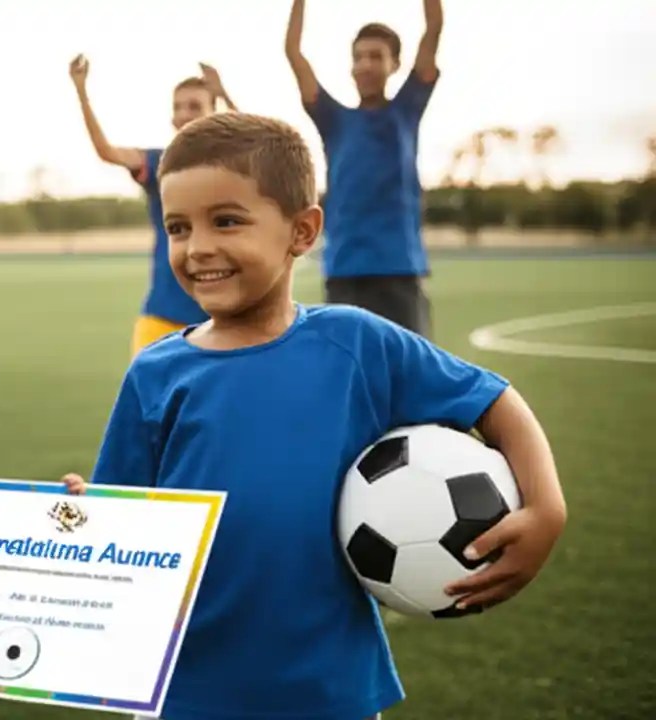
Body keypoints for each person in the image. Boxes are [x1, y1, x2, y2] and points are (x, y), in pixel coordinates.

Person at [61, 112, 566, 720]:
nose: (198, 248)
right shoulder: (155, 372)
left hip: (330, 689)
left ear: (302, 231)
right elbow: (124, 513)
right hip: (186, 689)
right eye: (177, 227)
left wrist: (545, 507)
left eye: (226, 221)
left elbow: (493, 400)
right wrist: (87, 520)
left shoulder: (356, 343)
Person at [285, 0, 444, 337]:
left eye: (376, 56)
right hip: (345, 269)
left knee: (411, 376)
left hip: (399, 268)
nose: (365, 65)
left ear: (395, 64)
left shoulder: (406, 109)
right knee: (350, 375)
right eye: (358, 57)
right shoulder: (333, 119)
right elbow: (294, 52)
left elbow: (433, 27)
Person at [67, 53, 234, 357]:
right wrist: (81, 91)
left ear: (214, 113)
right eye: (177, 107)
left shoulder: (236, 169)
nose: (184, 115)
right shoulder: (160, 163)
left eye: (195, 106)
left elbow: (259, 142)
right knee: (151, 403)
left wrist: (225, 94)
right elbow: (107, 151)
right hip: (163, 315)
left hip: (221, 318)